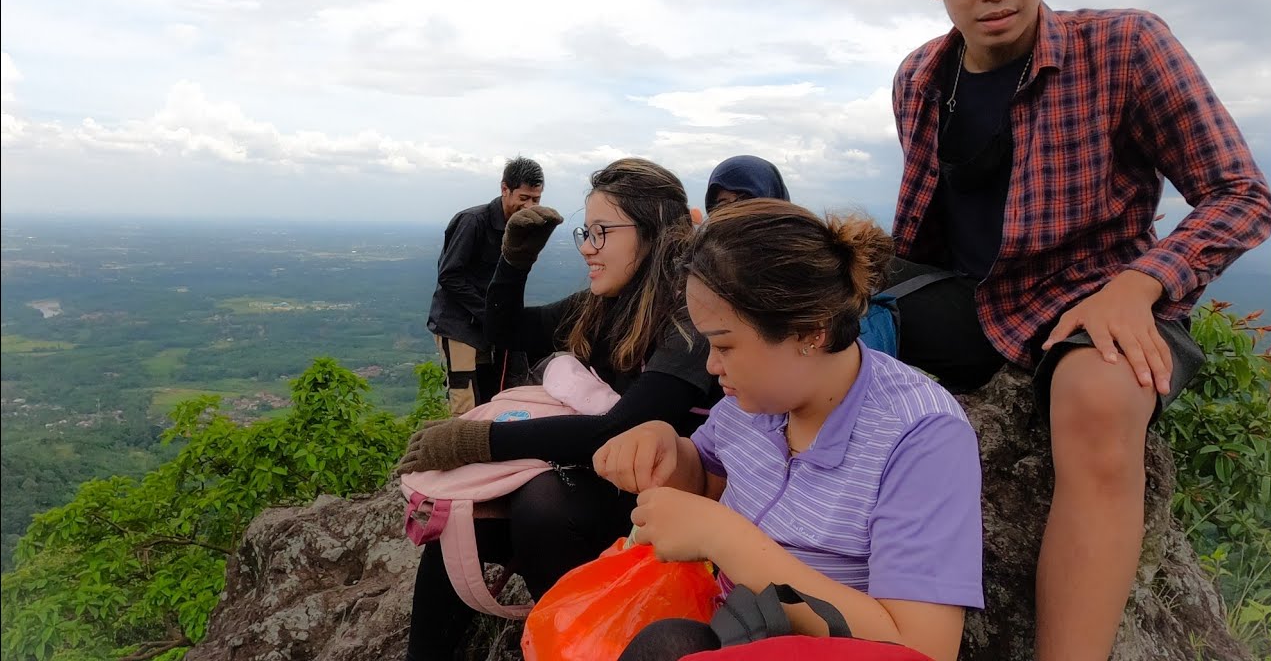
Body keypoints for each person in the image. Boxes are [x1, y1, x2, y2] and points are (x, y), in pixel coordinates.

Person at [890, 0, 1271, 658]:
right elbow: (930, 234)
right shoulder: (920, 77)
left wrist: (1139, 286)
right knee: (794, 320)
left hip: (1103, 288)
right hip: (975, 297)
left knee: (1099, 401)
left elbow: (1241, 193)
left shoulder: (1125, 46)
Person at [596, 199, 984, 661]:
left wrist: (726, 541)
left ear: (810, 331)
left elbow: (921, 648)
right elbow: (707, 480)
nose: (712, 365)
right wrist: (667, 450)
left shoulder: (920, 436)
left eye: (724, 345)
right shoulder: (752, 403)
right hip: (731, 621)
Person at [399, 157, 723, 660]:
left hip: (669, 504)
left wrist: (474, 442)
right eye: (585, 232)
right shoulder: (606, 305)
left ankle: (582, 639)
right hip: (605, 487)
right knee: (465, 521)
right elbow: (504, 332)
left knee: (542, 503)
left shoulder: (688, 319)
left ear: (652, 232)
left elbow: (619, 430)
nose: (587, 247)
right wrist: (514, 262)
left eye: (601, 232)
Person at [426, 156, 544, 415]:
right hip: (456, 323)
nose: (529, 206)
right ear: (505, 189)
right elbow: (449, 275)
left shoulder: (518, 227)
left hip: (485, 324)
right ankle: (461, 441)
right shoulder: (473, 221)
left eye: (536, 199)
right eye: (523, 198)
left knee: (488, 390)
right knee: (463, 396)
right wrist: (490, 312)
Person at [704, 154, 791, 213]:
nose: (734, 211)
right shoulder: (710, 235)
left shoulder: (795, 234)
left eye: (746, 200)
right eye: (723, 204)